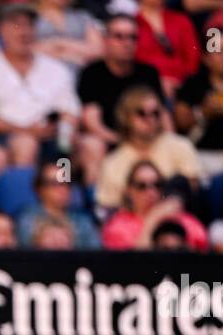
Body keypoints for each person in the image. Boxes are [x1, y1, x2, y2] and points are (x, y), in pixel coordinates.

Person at [0, 2, 81, 171]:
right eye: (16, 25)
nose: (24, 32)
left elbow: (69, 111)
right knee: (25, 144)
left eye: (29, 25)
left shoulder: (55, 68)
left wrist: (64, 140)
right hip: (2, 136)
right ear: (0, 30)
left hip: (49, 138)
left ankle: (86, 195)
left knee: (88, 145)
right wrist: (27, 131)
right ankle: (24, 196)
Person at [77, 13, 164, 184]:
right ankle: (97, 203)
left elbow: (162, 115)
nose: (127, 43)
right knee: (92, 144)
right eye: (119, 36)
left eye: (132, 37)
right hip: (109, 141)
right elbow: (91, 122)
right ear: (106, 40)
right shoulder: (92, 73)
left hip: (147, 140)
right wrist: (124, 142)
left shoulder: (149, 73)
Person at [95, 85, 200, 210]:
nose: (150, 119)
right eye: (142, 113)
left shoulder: (180, 145)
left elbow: (193, 188)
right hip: (131, 224)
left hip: (177, 221)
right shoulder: (112, 162)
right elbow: (108, 208)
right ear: (126, 117)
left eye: (155, 113)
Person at [174, 27, 223, 179]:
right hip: (200, 156)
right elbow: (180, 122)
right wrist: (203, 112)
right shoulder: (192, 85)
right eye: (219, 51)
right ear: (205, 57)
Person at [101, 158, 208, 249]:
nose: (151, 192)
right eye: (142, 186)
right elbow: (134, 264)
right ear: (129, 191)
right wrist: (153, 218)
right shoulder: (118, 227)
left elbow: (200, 251)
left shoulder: (182, 220)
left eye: (157, 185)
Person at [16, 158, 100, 247]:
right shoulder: (26, 218)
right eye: (55, 183)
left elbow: (95, 253)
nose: (62, 189)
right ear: (39, 189)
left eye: (66, 183)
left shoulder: (82, 221)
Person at [134, 0, 199, 98]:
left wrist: (182, 83)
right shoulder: (132, 23)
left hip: (182, 86)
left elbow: (193, 57)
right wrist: (157, 83)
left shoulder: (181, 21)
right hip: (144, 88)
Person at [34, 0, 103, 72]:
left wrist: (59, 43)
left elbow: (97, 51)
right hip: (42, 74)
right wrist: (71, 56)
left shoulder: (82, 16)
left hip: (80, 74)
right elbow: (28, 49)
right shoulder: (30, 17)